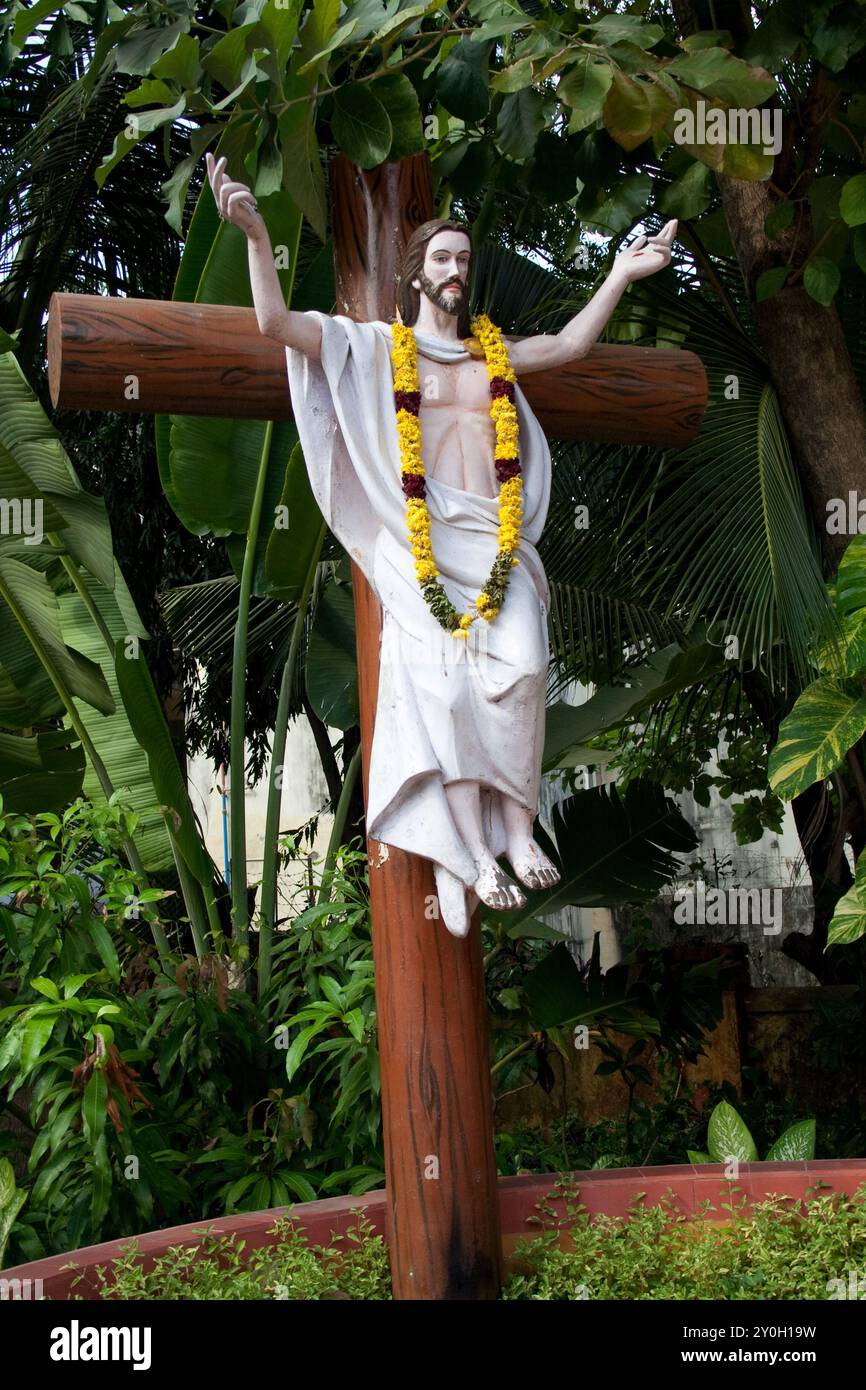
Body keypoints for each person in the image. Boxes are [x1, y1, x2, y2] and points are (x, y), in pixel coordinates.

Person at [205, 152, 677, 937]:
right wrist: (258, 236)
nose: (457, 269)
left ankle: (517, 830)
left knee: (524, 666)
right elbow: (276, 326)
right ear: (417, 273)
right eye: (443, 258)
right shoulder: (374, 350)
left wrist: (621, 276)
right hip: (418, 547)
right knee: (444, 690)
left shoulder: (494, 355)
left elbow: (567, 348)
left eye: (465, 258)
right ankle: (469, 854)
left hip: (495, 545)